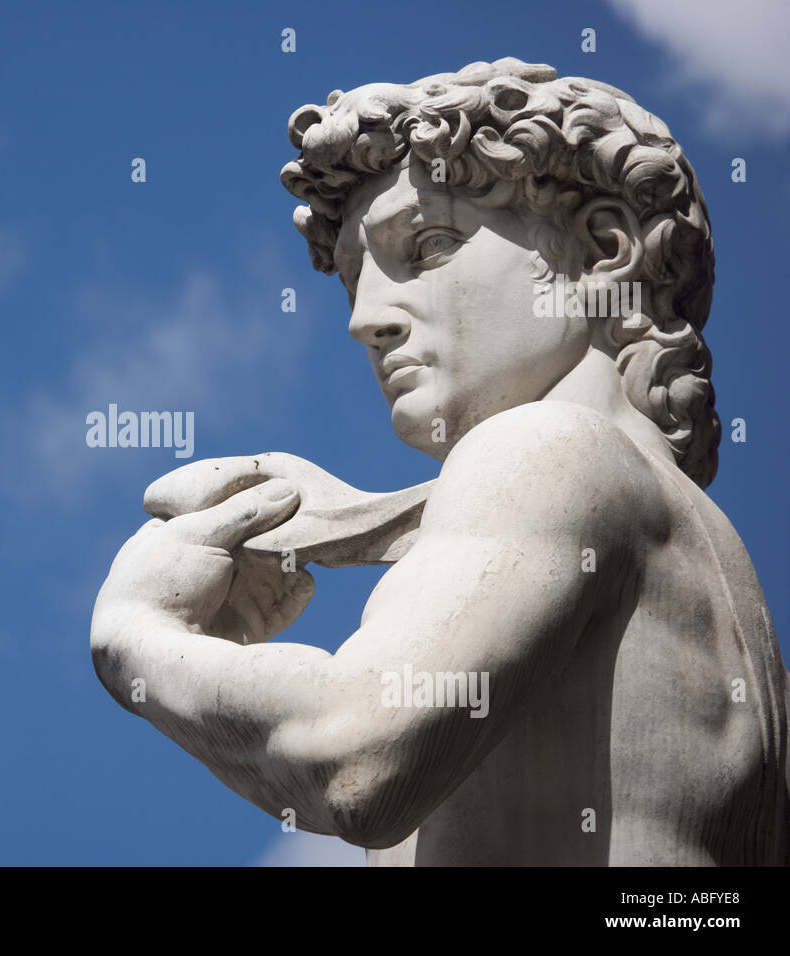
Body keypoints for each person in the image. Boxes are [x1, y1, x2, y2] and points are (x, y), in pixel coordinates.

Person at [89, 59, 788, 865]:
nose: (366, 319)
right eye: (353, 280)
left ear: (601, 253)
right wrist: (358, 527)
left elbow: (351, 758)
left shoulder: (546, 449)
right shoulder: (716, 575)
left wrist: (140, 636)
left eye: (425, 245)